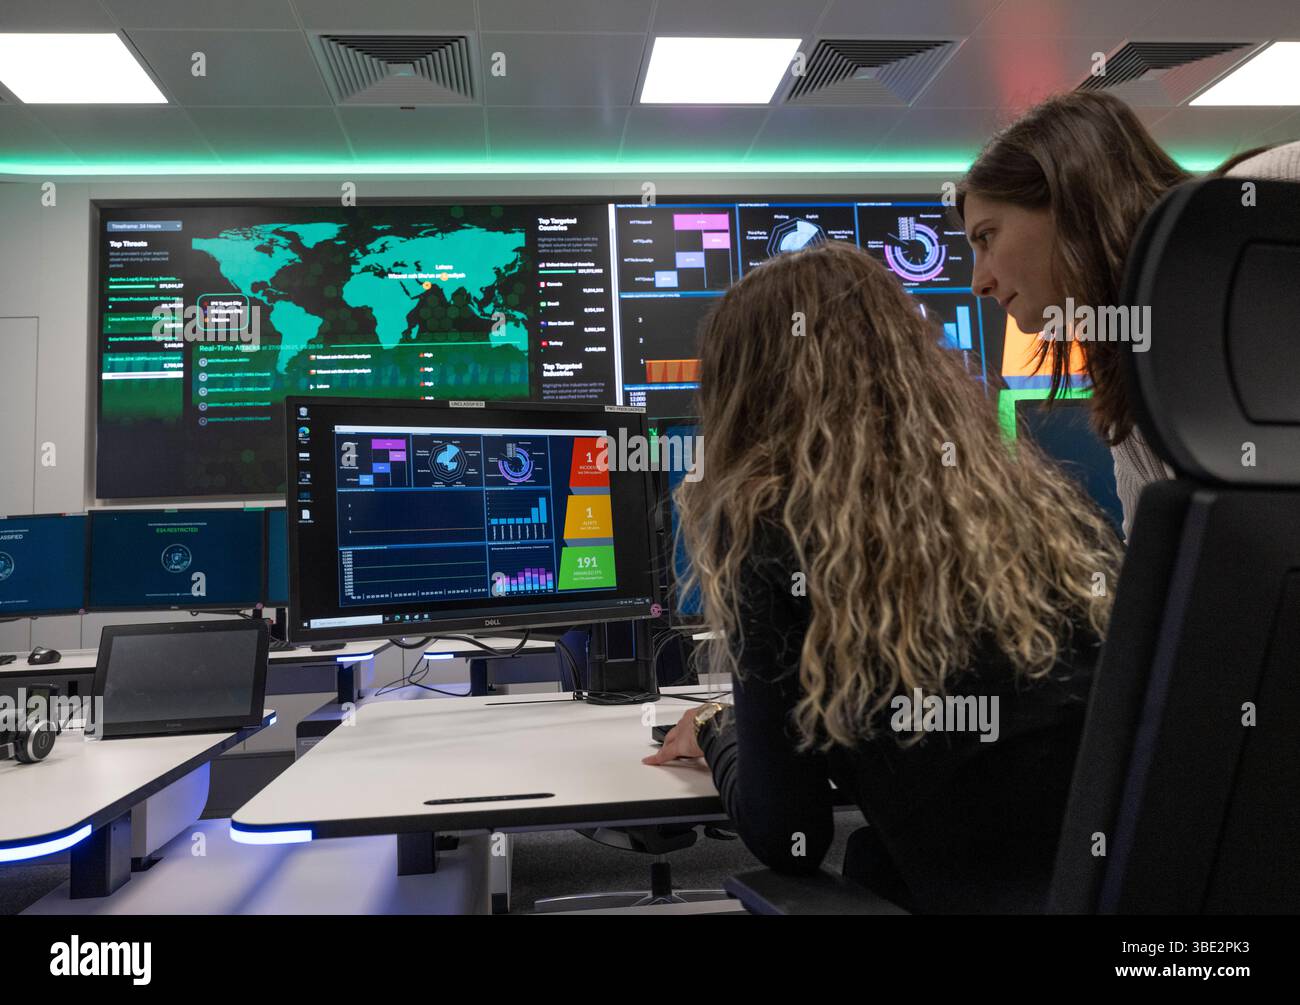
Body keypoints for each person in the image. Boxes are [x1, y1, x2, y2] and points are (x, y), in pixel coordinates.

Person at [643, 241, 1122, 913]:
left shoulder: (770, 520)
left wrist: (721, 731)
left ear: (743, 395)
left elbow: (793, 836)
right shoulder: (1032, 503)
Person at [955, 91, 1191, 539]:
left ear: (1072, 205)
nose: (978, 282)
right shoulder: (1128, 367)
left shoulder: (1260, 198)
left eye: (987, 237)